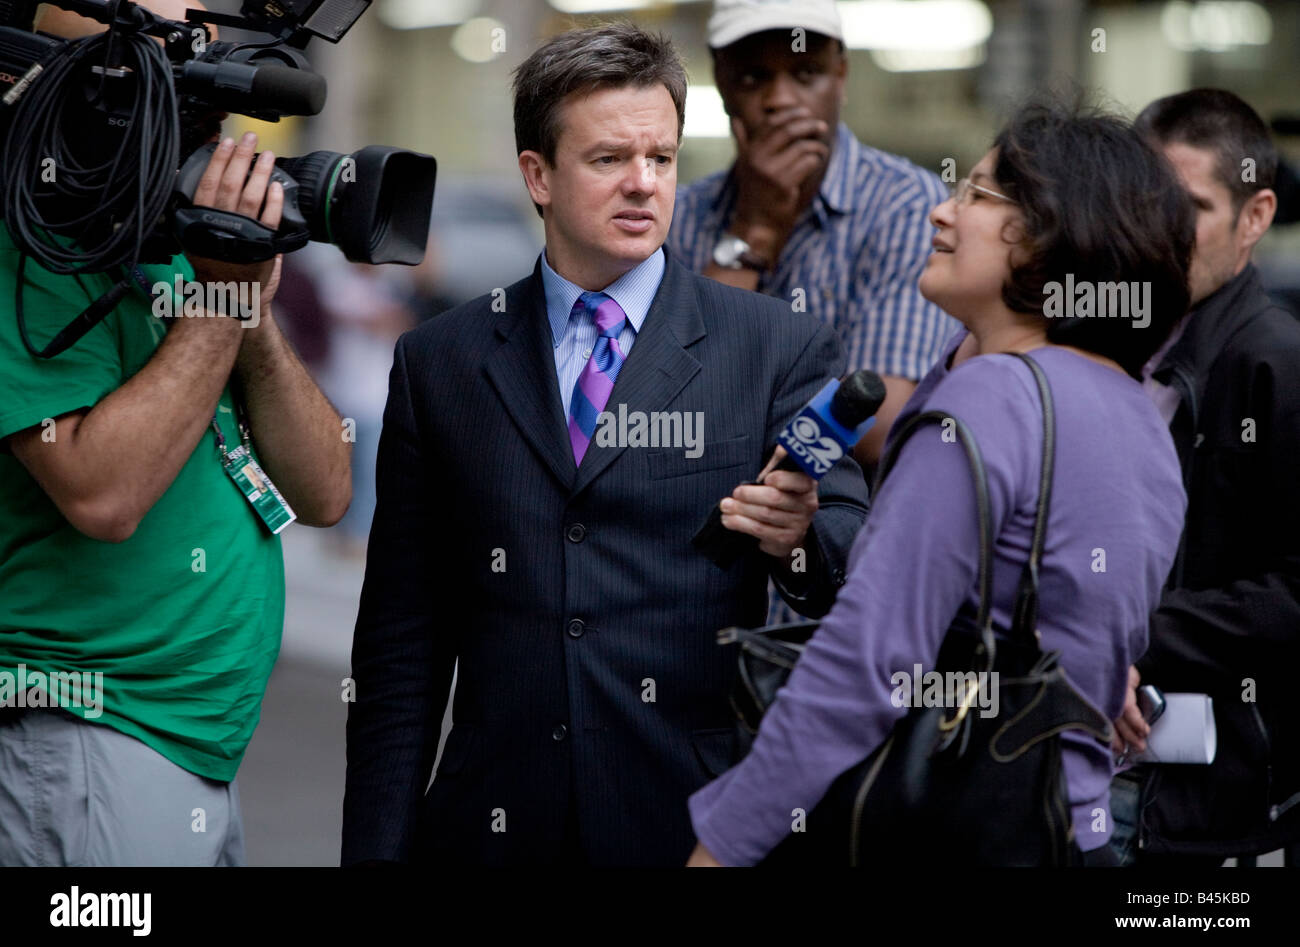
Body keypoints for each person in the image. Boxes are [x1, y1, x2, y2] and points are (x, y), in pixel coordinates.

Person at [341, 23, 869, 867]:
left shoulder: (770, 346)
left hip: (690, 826)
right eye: (608, 160)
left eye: (660, 159)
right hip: (492, 826)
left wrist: (799, 534)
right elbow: (401, 646)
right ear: (537, 175)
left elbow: (850, 562)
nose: (643, 184)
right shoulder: (442, 361)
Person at [685, 101, 1192, 866]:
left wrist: (722, 844)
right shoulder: (1136, 414)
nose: (940, 212)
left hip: (956, 831)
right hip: (1076, 832)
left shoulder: (992, 402)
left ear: (1051, 234)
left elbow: (866, 664)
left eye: (976, 196)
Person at [0, 1, 350, 865]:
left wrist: (244, 296)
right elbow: (102, 492)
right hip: (86, 730)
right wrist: (215, 307)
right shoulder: (33, 226)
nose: (198, 42)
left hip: (193, 746)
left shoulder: (167, 225)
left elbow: (324, 490)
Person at [1109, 89, 1300, 865]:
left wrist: (1128, 640)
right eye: (1140, 204)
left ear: (1255, 217)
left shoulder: (1276, 366)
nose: (1157, 233)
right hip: (1101, 778)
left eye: (1187, 207)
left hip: (1215, 804)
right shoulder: (1106, 344)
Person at [668, 0, 960, 471]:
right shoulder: (679, 214)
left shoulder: (904, 203)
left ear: (841, 77)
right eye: (752, 78)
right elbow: (670, 404)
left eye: (806, 74)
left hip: (838, 524)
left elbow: (878, 427)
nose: (781, 99)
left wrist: (730, 421)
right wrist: (755, 231)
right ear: (721, 83)